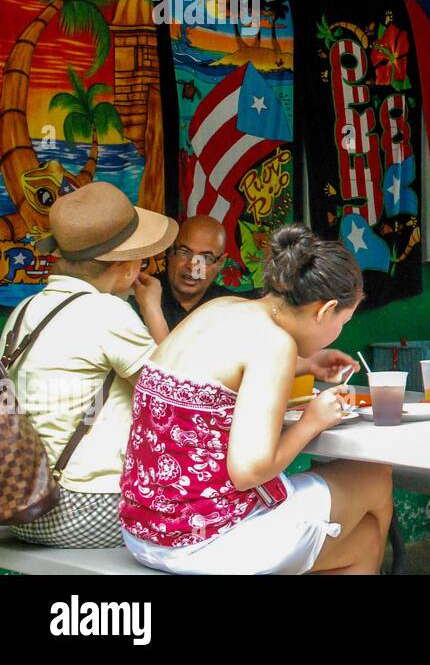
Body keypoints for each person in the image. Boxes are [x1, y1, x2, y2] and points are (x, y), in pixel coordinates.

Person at [118, 225, 392, 574]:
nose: (339, 331)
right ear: (326, 310)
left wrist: (304, 366)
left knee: (364, 539)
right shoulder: (274, 343)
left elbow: (216, 376)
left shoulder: (221, 308)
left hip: (144, 531)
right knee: (375, 476)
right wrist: (313, 422)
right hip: (201, 540)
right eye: (344, 321)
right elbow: (249, 470)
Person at [0, 182, 176, 548]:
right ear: (127, 266)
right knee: (213, 519)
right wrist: (152, 308)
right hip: (84, 507)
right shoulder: (107, 312)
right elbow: (177, 390)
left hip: (23, 505)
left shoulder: (23, 312)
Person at [141, 214, 248, 332]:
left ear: (221, 263)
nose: (192, 266)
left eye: (206, 258)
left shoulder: (230, 309)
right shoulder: (140, 297)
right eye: (184, 252)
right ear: (171, 251)